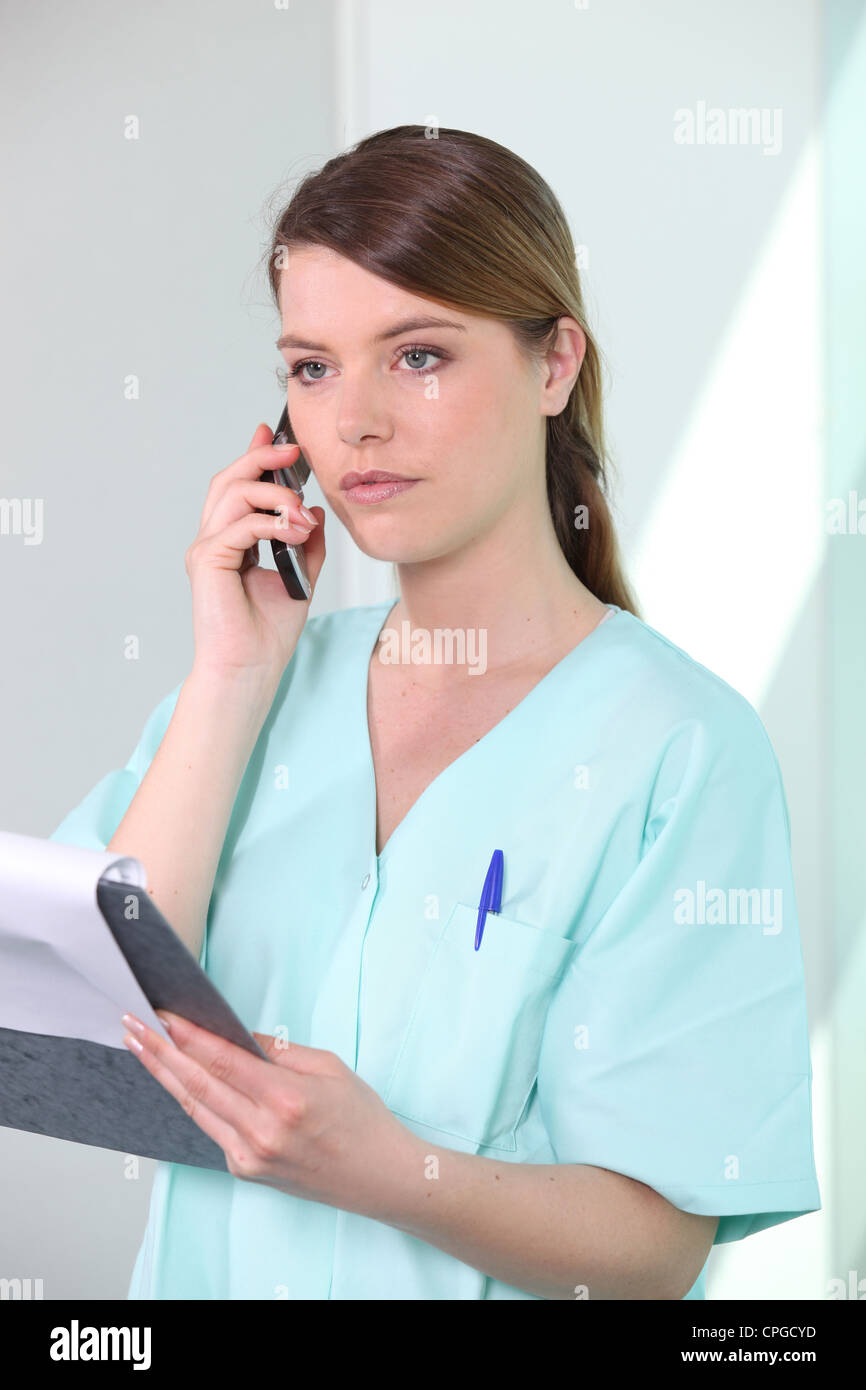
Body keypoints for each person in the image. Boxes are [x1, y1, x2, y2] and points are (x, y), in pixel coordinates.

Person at [50, 125, 820, 1300]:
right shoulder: (247, 694)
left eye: (416, 356)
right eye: (310, 368)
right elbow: (76, 1038)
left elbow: (659, 1248)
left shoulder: (676, 751)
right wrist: (227, 682)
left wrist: (385, 1166)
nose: (352, 421)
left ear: (554, 363)